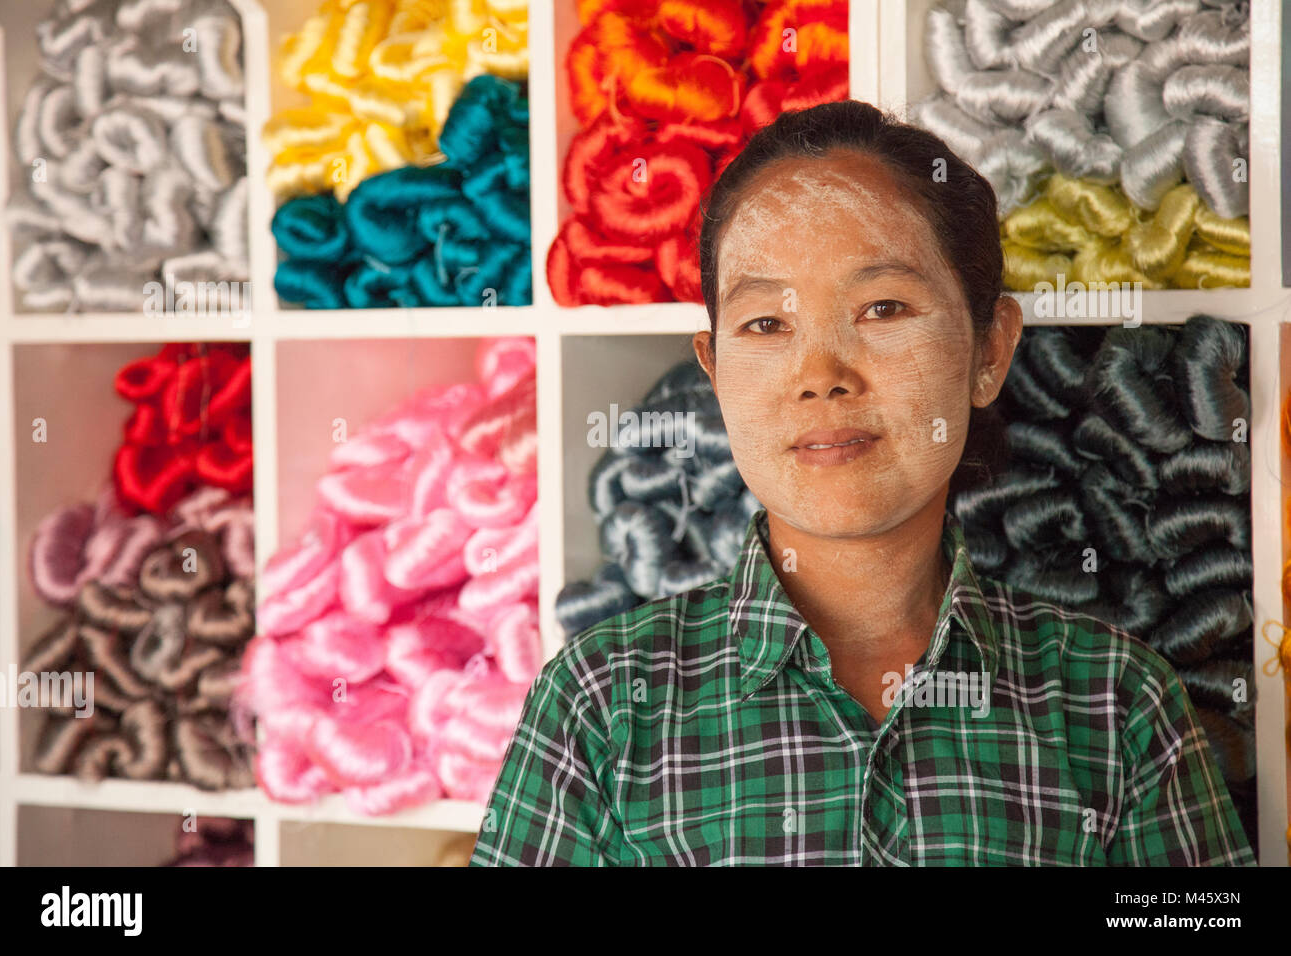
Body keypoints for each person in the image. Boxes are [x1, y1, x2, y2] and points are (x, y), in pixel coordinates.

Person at [469, 99, 1255, 866]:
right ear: (714, 371)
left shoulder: (1117, 704)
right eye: (766, 325)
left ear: (990, 351)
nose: (821, 376)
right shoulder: (602, 706)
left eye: (882, 307)